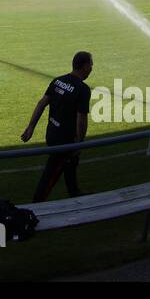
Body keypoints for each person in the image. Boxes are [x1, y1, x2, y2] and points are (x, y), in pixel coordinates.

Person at [21, 50, 93, 201]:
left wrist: (31, 127)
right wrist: (79, 143)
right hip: (65, 140)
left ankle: (74, 191)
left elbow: (42, 103)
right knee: (52, 172)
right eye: (91, 65)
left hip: (52, 132)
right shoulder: (83, 89)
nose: (92, 68)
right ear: (84, 66)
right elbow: (81, 119)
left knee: (71, 163)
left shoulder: (58, 81)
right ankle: (37, 203)